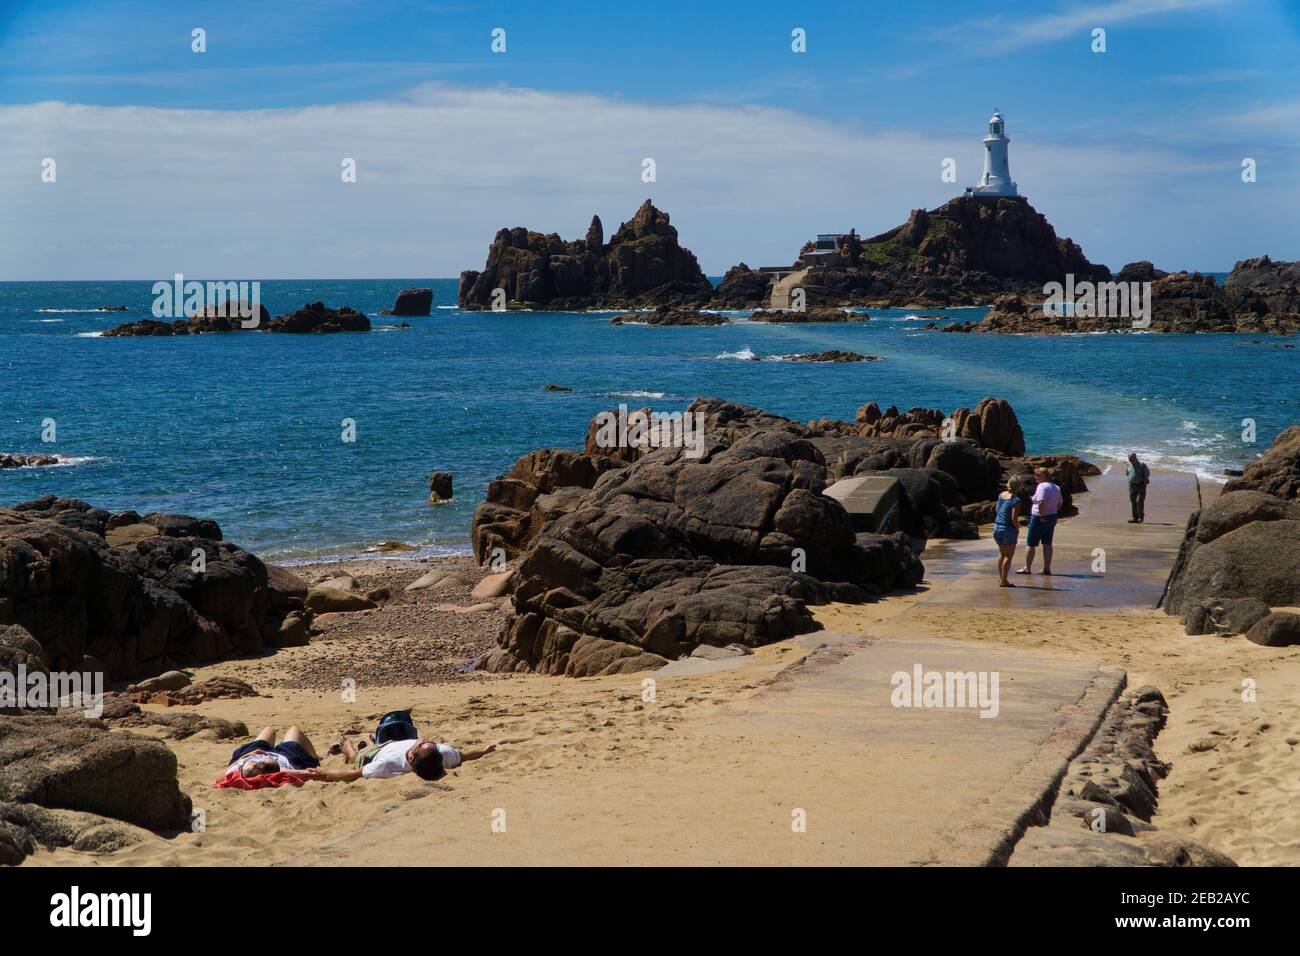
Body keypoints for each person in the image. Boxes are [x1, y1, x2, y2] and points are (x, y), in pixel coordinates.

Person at [215, 725, 323, 789]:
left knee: (269, 729)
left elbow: (218, 777)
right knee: (294, 730)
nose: (266, 758)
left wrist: (247, 755)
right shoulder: (280, 770)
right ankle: (314, 759)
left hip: (251, 753)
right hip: (286, 756)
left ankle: (276, 745)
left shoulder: (240, 770)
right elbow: (302, 773)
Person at [1017, 468, 1063, 576]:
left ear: (1043, 476)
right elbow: (1060, 502)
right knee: (1047, 543)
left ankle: (1027, 568)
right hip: (1052, 516)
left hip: (1039, 517)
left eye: (1037, 475)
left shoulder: (1042, 486)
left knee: (1031, 544)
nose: (1035, 477)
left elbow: (1041, 501)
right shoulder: (1055, 487)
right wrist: (1054, 512)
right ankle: (1047, 568)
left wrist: (1042, 514)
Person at [992, 475, 1025, 587]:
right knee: (1008, 557)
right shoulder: (1016, 500)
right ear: (1019, 486)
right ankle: (1004, 581)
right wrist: (1017, 529)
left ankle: (1002, 578)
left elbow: (997, 510)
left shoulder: (1001, 495)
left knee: (1002, 554)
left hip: (997, 527)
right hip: (1008, 529)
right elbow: (1013, 518)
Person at [1126, 452, 1150, 523]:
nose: (1131, 461)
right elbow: (1127, 474)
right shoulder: (1128, 464)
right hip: (1131, 486)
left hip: (1141, 485)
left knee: (1139, 501)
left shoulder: (1142, 465)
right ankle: (1134, 518)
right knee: (1133, 502)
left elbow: (1147, 475)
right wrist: (1130, 482)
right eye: (1129, 459)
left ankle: (1141, 516)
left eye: (1132, 459)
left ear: (1135, 457)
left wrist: (1144, 485)